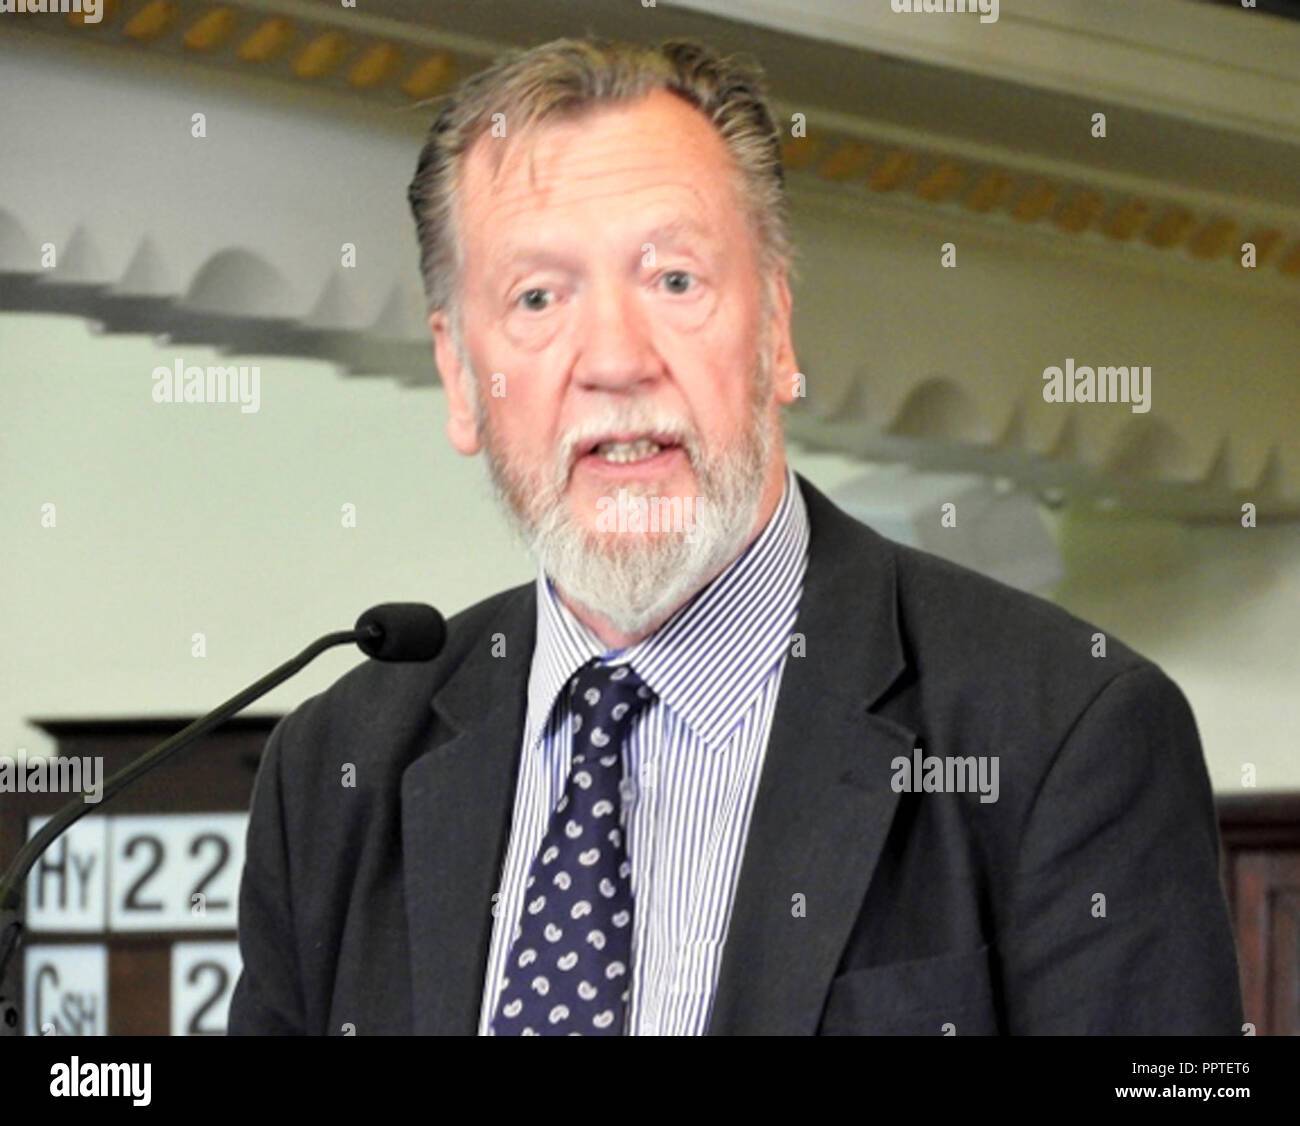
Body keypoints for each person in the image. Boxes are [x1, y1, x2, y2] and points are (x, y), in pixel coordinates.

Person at [228, 36, 1242, 1035]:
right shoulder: (334, 770)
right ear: (459, 376)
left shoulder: (1065, 734)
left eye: (675, 280)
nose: (615, 360)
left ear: (778, 329)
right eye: (537, 297)